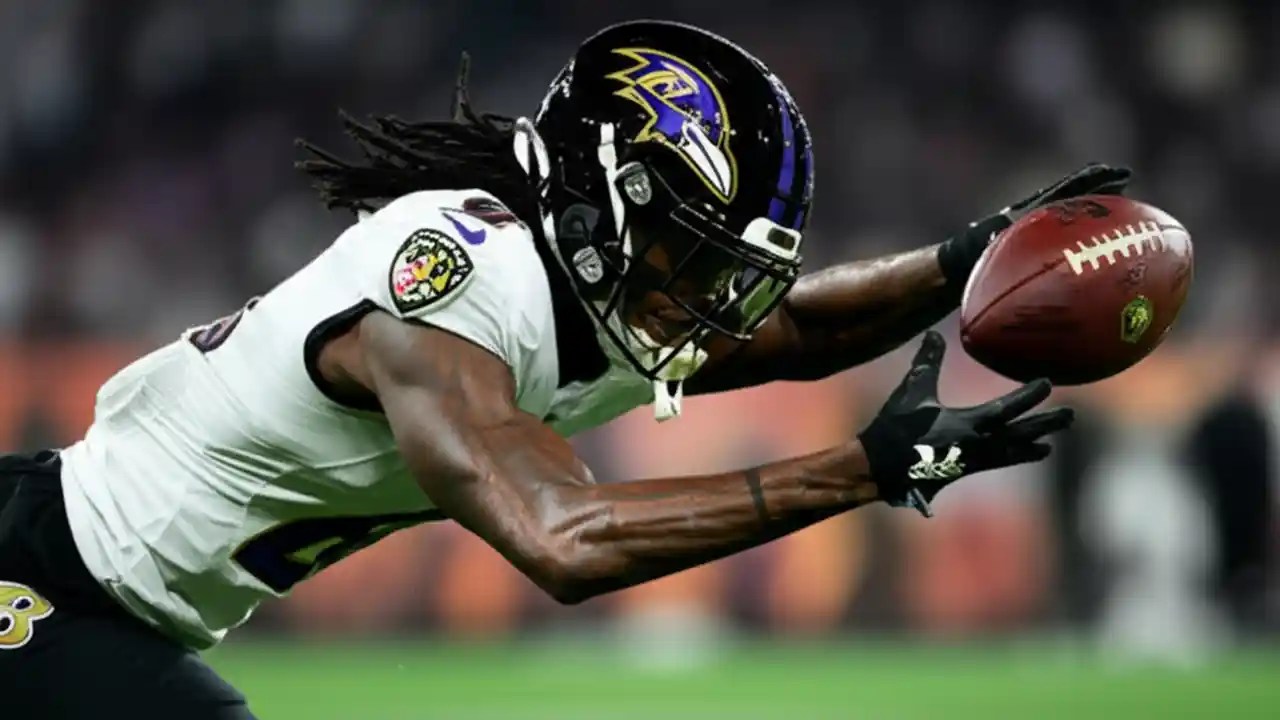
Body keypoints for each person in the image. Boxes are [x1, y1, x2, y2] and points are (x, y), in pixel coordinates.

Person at [0, 19, 1129, 719]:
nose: (706, 299)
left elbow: (799, 329)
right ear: (600, 202)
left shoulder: (594, 291)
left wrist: (958, 260)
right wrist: (862, 470)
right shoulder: (448, 281)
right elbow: (561, 542)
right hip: (42, 575)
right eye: (691, 255)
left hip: (116, 604)